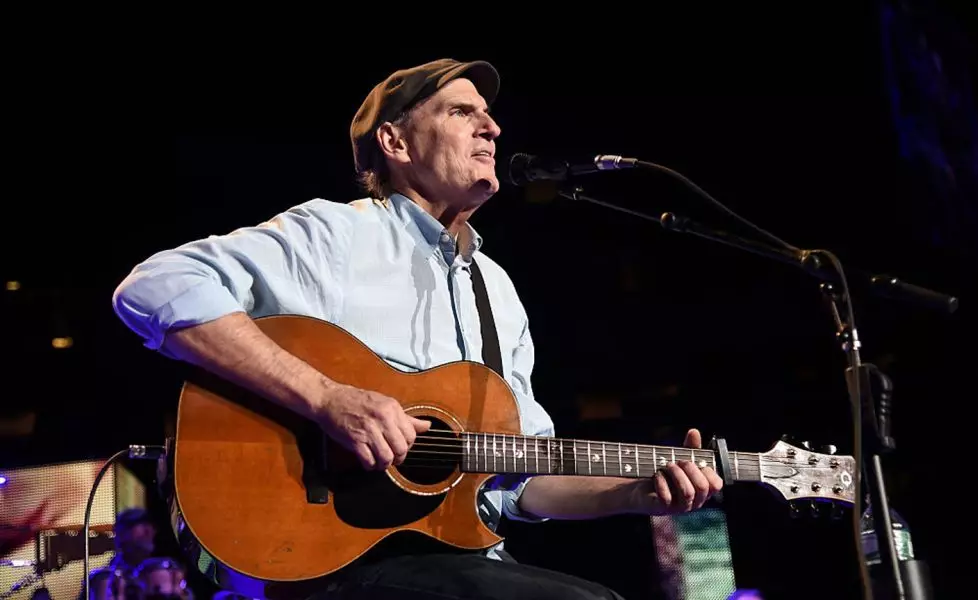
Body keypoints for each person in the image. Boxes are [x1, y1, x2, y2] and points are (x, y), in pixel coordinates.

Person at [112, 58, 724, 599]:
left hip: (457, 563)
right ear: (395, 142)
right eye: (463, 112)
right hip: (331, 554)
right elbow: (155, 287)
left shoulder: (497, 291)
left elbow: (517, 481)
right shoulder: (335, 236)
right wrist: (328, 399)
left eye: (490, 114)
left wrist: (632, 495)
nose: (493, 128)